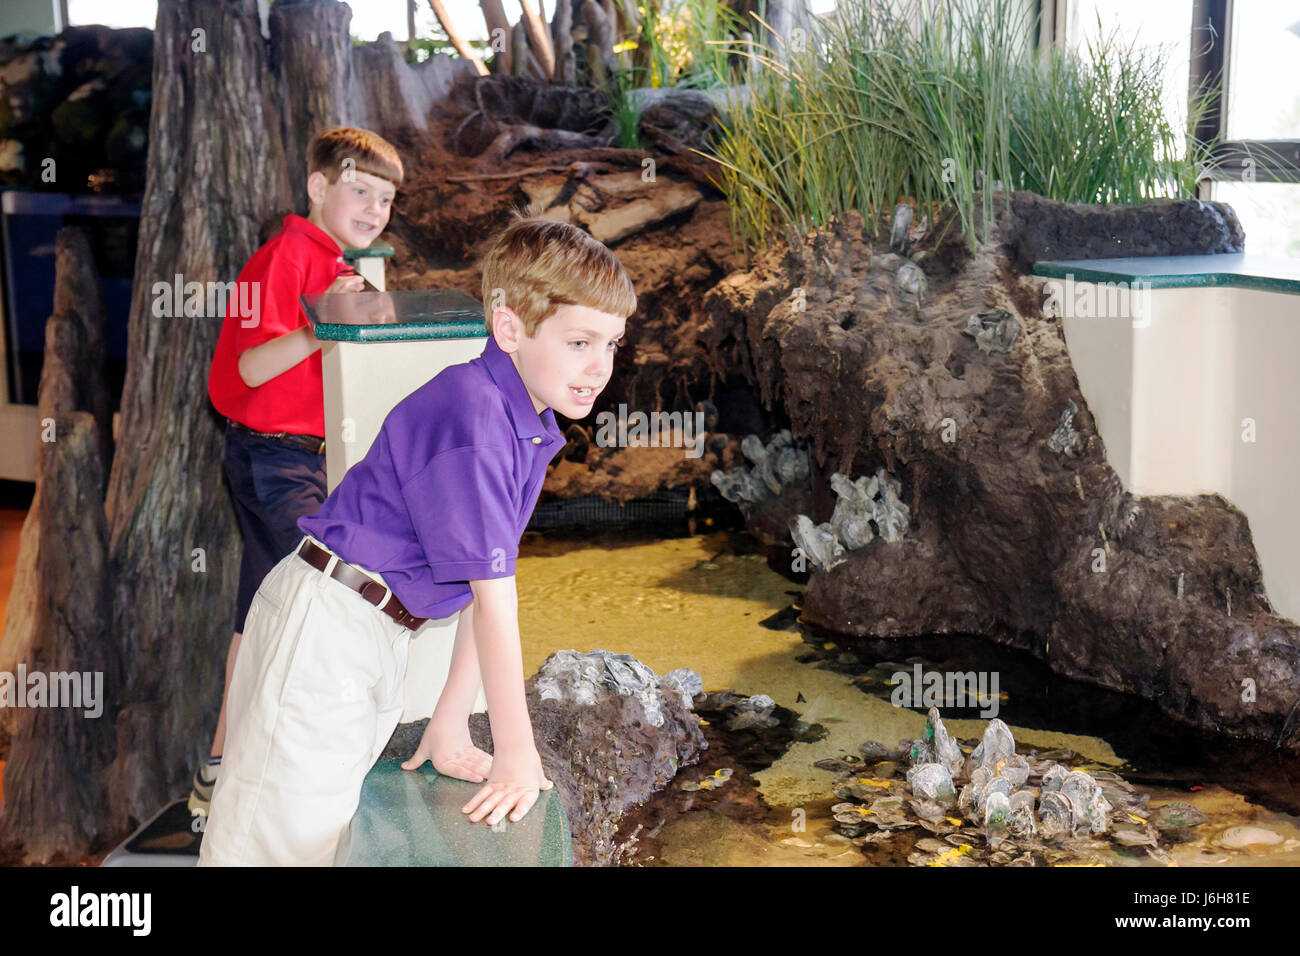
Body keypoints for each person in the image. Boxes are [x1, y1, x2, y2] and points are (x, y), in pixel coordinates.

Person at [196, 213, 637, 866]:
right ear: (510, 326)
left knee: (326, 841)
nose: (599, 367)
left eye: (611, 345)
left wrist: (451, 718)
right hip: (327, 632)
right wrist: (516, 754)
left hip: (372, 633)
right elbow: (494, 604)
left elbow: (475, 587)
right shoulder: (475, 416)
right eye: (579, 343)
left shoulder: (530, 425)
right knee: (272, 849)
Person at [193, 127, 404, 815]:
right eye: (360, 191)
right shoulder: (284, 258)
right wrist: (325, 325)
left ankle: (218, 776)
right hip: (274, 461)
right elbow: (250, 367)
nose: (375, 209)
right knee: (330, 600)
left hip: (292, 460)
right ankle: (299, 787)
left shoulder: (340, 264)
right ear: (319, 187)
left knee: (256, 620)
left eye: (387, 198)